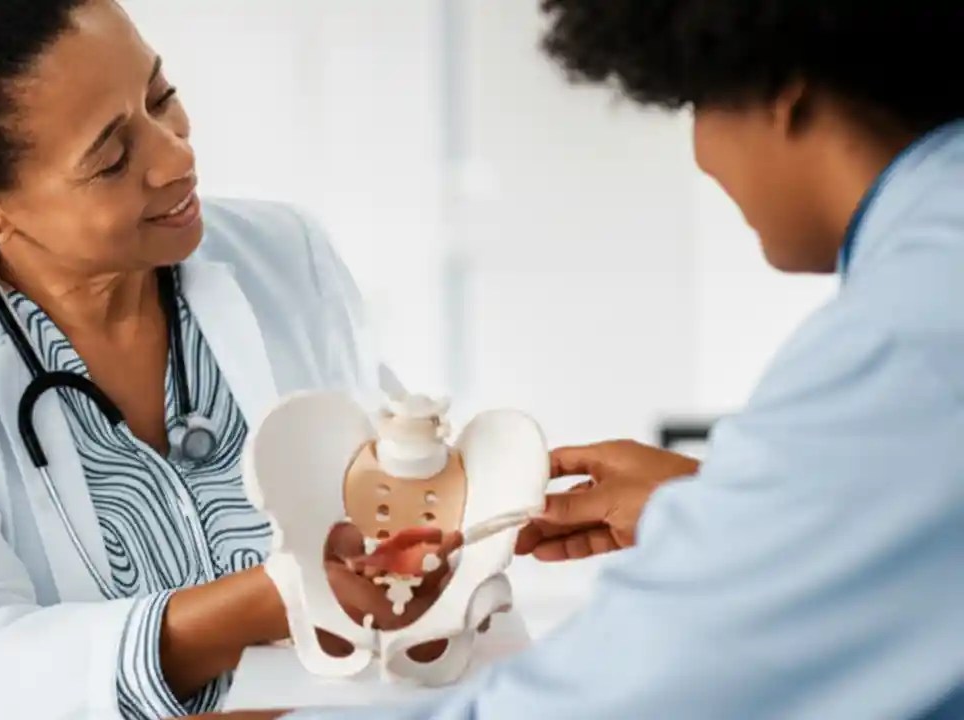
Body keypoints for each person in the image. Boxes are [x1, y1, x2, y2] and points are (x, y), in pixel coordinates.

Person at [269, 1, 964, 719]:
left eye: (698, 103)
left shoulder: (905, 341)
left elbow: (632, 694)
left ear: (785, 94)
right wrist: (742, 510)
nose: (702, 155)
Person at [0, 1, 393, 717]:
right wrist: (261, 604)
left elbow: (377, 470)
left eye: (162, 98)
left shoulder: (284, 253)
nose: (177, 156)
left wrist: (480, 496)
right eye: (111, 158)